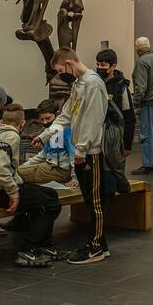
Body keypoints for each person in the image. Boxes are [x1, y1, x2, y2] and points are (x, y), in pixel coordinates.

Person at [34, 47, 110, 265]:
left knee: (94, 201)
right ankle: (98, 242)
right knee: (88, 199)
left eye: (60, 70)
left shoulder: (93, 83)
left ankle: (96, 247)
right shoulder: (79, 84)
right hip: (82, 151)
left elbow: (93, 120)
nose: (60, 75)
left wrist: (82, 150)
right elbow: (67, 114)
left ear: (68, 63)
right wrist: (46, 134)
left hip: (90, 153)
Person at [0, 103, 61, 267]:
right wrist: (13, 193)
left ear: (2, 120)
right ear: (22, 124)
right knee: (52, 205)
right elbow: (0, 168)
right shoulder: (12, 136)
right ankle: (28, 249)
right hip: (0, 192)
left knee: (51, 194)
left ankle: (43, 245)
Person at [95, 49, 135, 172]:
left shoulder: (121, 87)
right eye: (97, 64)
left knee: (114, 170)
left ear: (113, 66)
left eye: (103, 65)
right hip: (95, 136)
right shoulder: (94, 83)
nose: (99, 68)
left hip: (114, 136)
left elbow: (129, 117)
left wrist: (127, 145)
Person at [18, 99, 74, 186]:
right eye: (42, 119)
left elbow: (73, 154)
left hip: (60, 171)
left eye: (48, 118)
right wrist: (25, 165)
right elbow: (43, 154)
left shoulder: (65, 131)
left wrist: (74, 178)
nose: (45, 122)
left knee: (16, 173)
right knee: (18, 170)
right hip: (49, 166)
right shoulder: (48, 132)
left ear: (57, 114)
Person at [131, 37, 153, 175]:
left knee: (146, 134)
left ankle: (148, 164)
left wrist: (136, 103)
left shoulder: (141, 62)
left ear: (137, 49)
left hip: (149, 101)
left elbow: (141, 87)